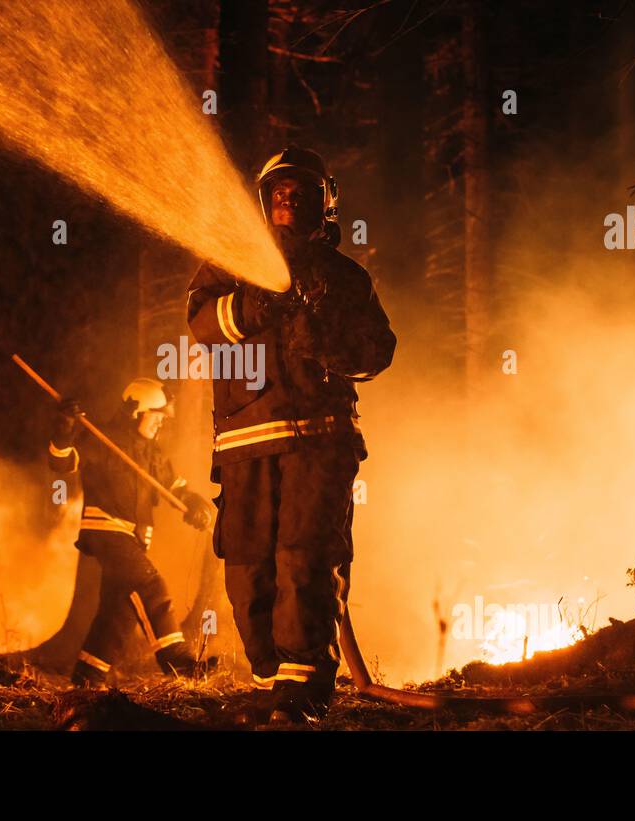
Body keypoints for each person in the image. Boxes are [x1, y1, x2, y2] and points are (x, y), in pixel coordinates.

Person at [186, 146, 396, 724]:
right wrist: (255, 303)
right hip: (243, 442)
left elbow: (378, 351)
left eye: (302, 190)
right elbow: (201, 324)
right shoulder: (228, 263)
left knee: (305, 555)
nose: (289, 197)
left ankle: (303, 686)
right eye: (279, 189)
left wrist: (324, 338)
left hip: (319, 441)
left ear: (325, 205)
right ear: (261, 201)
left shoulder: (343, 278)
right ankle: (268, 681)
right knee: (247, 563)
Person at [49, 378, 216, 687]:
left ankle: (86, 680)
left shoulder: (152, 452)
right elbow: (61, 464)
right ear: (138, 412)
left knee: (118, 615)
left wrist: (193, 503)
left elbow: (174, 488)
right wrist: (63, 431)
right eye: (157, 416)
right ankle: (178, 662)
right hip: (106, 529)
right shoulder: (102, 439)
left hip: (136, 538)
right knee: (151, 584)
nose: (161, 423)